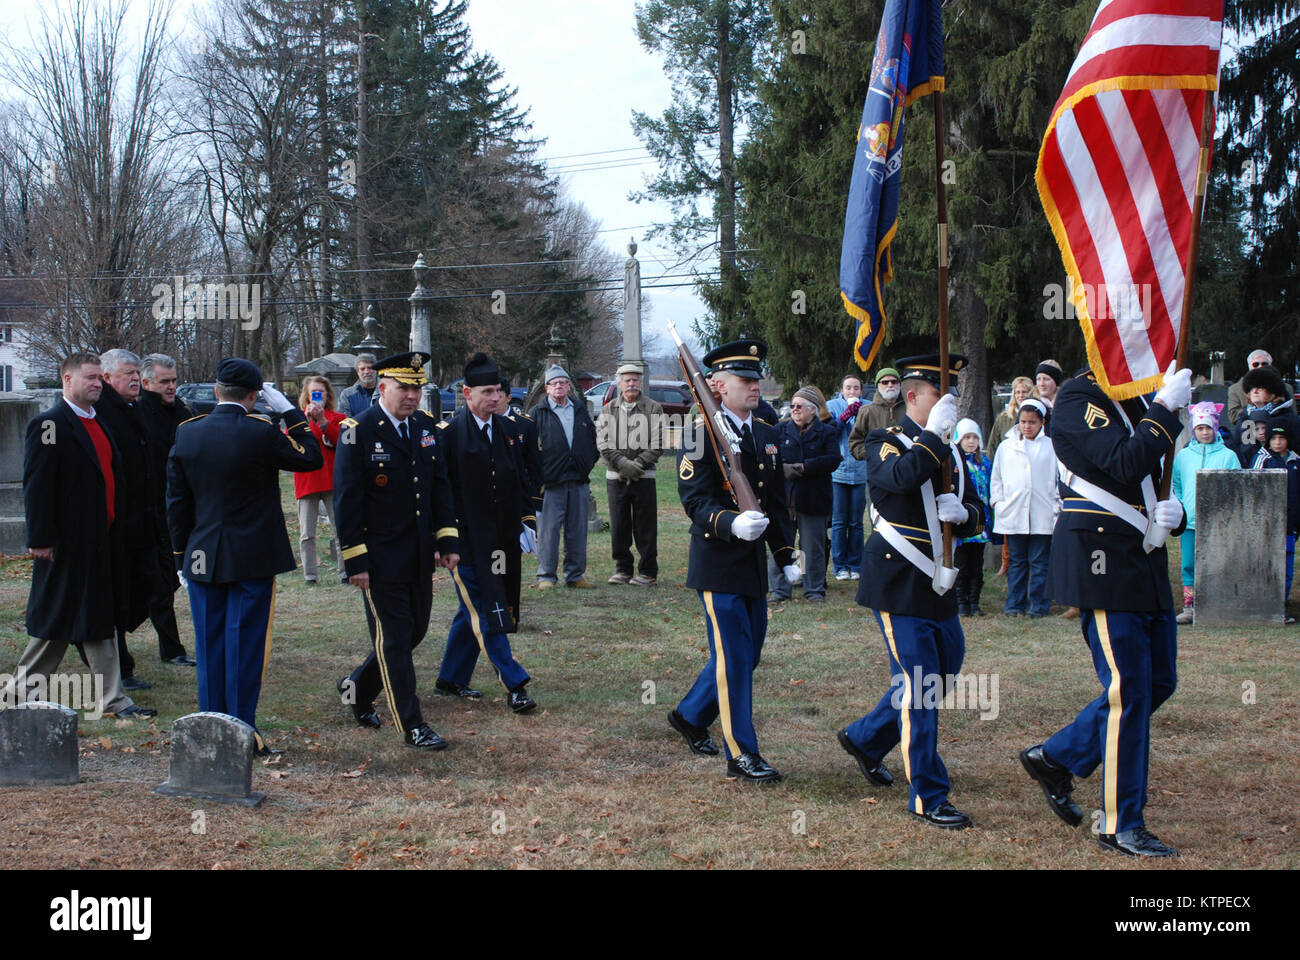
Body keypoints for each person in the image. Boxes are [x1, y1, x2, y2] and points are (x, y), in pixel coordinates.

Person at [1019, 361, 1192, 857]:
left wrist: (1173, 513)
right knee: (1128, 691)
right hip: (1102, 560)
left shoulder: (1136, 401)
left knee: (1159, 681)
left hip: (1143, 560)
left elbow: (1146, 480)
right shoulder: (1078, 397)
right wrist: (1164, 408)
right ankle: (1119, 823)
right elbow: (1124, 461)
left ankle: (1057, 757)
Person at [837, 354, 985, 829]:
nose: (948, 405)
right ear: (913, 396)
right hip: (898, 581)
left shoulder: (954, 453)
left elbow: (981, 511)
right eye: (940, 396)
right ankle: (928, 793)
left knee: (945, 669)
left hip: (938, 583)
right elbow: (898, 479)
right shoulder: (885, 441)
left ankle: (866, 738)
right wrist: (930, 439)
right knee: (921, 684)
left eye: (952, 397)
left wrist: (966, 516)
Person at [168, 358, 322, 754]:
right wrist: (289, 410)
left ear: (216, 391)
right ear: (255, 396)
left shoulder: (187, 433)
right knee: (245, 647)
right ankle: (241, 734)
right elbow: (311, 457)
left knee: (209, 646)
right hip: (252, 555)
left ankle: (209, 731)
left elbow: (177, 503)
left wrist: (180, 556)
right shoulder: (261, 431)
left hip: (202, 555)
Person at [667, 338, 800, 783]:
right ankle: (741, 753)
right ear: (718, 386)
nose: (754, 385)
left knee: (747, 654)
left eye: (755, 378)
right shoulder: (699, 433)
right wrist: (729, 524)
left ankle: (689, 714)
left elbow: (776, 503)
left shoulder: (765, 433)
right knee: (734, 659)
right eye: (744, 379)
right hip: (717, 562)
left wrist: (785, 554)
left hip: (752, 568)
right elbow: (694, 500)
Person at [3, 353, 156, 720]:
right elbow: (37, 486)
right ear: (66, 380)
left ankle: (114, 700)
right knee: (56, 623)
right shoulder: (51, 425)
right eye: (88, 378)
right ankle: (17, 695)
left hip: (100, 543)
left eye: (98, 379)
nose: (96, 384)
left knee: (99, 621)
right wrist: (40, 538)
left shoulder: (98, 423)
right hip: (65, 545)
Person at [334, 352, 460, 750]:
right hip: (379, 557)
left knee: (413, 632)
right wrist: (355, 560)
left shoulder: (425, 428)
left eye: (417, 388)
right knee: (393, 639)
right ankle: (412, 724)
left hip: (418, 553)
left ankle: (355, 687)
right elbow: (347, 501)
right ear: (382, 388)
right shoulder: (359, 431)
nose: (412, 396)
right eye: (404, 388)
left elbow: (438, 486)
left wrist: (447, 541)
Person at [434, 353, 539, 711]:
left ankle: (451, 678)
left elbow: (522, 482)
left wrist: (528, 521)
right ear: (467, 393)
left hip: (504, 540)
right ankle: (514, 682)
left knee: (475, 610)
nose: (496, 398)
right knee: (487, 608)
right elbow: (440, 491)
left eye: (498, 391)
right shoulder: (448, 435)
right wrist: (443, 539)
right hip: (465, 542)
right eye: (488, 392)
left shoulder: (511, 431)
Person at [93, 348, 158, 691]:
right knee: (116, 596)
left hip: (141, 519)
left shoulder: (137, 408)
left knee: (145, 586)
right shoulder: (101, 413)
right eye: (128, 373)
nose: (136, 379)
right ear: (107, 378)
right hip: (116, 522)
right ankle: (120, 666)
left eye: (138, 373)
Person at [138, 353, 196, 667]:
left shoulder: (182, 411)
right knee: (159, 584)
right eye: (165, 382)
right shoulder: (139, 414)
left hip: (180, 506)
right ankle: (172, 649)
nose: (171, 386)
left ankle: (171, 648)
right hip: (152, 509)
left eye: (174, 380)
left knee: (169, 582)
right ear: (146, 383)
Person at [530, 364, 600, 589]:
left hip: (578, 480)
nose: (559, 386)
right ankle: (546, 576)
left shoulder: (579, 409)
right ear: (547, 388)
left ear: (569, 386)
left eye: (563, 382)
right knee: (549, 531)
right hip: (551, 483)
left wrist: (585, 464)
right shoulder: (537, 413)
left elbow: (592, 441)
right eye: (554, 383)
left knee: (577, 531)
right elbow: (530, 450)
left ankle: (575, 575)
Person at [768, 386, 840, 602]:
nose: (795, 410)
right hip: (784, 498)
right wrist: (784, 469)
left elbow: (833, 459)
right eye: (792, 406)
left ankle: (814, 590)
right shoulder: (778, 431)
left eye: (799, 406)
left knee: (813, 547)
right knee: (781, 544)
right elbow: (769, 457)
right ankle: (779, 590)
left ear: (813, 409)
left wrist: (803, 467)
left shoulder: (827, 432)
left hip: (814, 498)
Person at [1171, 402, 1240, 624]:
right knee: (1189, 563)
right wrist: (1181, 506)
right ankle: (1190, 605)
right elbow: (1177, 484)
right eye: (1200, 428)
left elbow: (1236, 485)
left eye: (1208, 428)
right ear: (1193, 430)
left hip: (1217, 523)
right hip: (1190, 521)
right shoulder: (1183, 456)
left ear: (1216, 428)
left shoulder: (1228, 456)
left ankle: (1216, 603)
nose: (1204, 432)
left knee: (1218, 562)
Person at [990, 398, 1059, 617]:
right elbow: (997, 478)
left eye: (1032, 422)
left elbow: (1059, 478)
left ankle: (1037, 606)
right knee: (1017, 561)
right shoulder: (1006, 446)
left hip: (1043, 512)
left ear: (1042, 423)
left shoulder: (1051, 447)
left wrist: (1057, 504)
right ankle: (1014, 605)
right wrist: (998, 503)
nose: (1027, 427)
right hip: (1013, 512)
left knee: (1039, 562)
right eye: (1023, 422)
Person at [598, 364, 664, 585]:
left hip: (644, 477)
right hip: (615, 478)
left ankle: (648, 572)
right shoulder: (609, 410)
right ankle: (623, 569)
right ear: (619, 383)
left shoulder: (653, 408)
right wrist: (623, 465)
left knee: (645, 526)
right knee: (619, 526)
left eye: (635, 380)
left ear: (641, 383)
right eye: (627, 380)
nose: (631, 383)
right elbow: (604, 444)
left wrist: (637, 466)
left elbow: (658, 443)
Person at [497, 376, 542, 624]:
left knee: (511, 563)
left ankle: (510, 615)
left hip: (518, 502)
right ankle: (495, 613)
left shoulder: (523, 425)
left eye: (498, 394)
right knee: (495, 564)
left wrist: (533, 504)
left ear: (507, 397)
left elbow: (534, 466)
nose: (494, 400)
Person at [293, 376, 346, 585]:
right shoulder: (297, 418)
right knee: (307, 533)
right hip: (307, 482)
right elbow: (292, 441)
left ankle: (345, 571)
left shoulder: (337, 417)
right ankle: (310, 575)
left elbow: (341, 441)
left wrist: (323, 420)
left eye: (321, 392)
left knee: (340, 529)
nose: (318, 396)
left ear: (328, 395)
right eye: (313, 392)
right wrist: (306, 421)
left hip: (332, 480)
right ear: (306, 395)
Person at [1249, 415, 1299, 623]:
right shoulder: (1262, 459)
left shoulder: (1296, 461)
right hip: (1267, 525)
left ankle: (1282, 606)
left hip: (1290, 525)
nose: (1278, 442)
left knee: (1286, 566)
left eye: (1282, 438)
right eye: (1274, 438)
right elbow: (1253, 489)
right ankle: (1264, 604)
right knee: (1266, 565)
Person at [987, 375, 1034, 578]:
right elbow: (994, 447)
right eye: (1018, 392)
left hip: (1032, 481)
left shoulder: (1039, 417)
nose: (1021, 395)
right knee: (1011, 532)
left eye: (1024, 392)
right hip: (1009, 481)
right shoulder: (1004, 417)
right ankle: (1007, 564)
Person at [826, 374, 867, 582]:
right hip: (838, 472)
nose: (852, 392)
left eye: (856, 388)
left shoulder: (867, 407)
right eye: (848, 388)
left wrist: (860, 416)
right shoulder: (832, 406)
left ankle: (855, 563)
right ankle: (840, 565)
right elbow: (828, 432)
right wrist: (843, 417)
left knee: (856, 522)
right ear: (841, 390)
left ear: (861, 390)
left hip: (861, 472)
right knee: (839, 521)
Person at [953, 418, 992, 617]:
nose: (970, 441)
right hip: (961, 521)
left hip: (980, 524)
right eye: (966, 437)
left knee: (977, 565)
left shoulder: (984, 464)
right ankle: (961, 602)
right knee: (961, 564)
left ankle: (974, 602)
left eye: (974, 437)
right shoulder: (955, 464)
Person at [1226, 349, 1275, 426]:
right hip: (1249, 432)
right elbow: (1233, 416)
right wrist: (1257, 410)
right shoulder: (1235, 389)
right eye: (1256, 364)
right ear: (1249, 366)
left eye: (1264, 364)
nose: (1260, 367)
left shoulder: (1285, 388)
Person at [338, 352, 379, 417]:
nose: (366, 372)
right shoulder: (347, 395)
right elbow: (345, 421)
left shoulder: (386, 391)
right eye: (362, 369)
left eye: (370, 368)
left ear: (376, 370)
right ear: (357, 372)